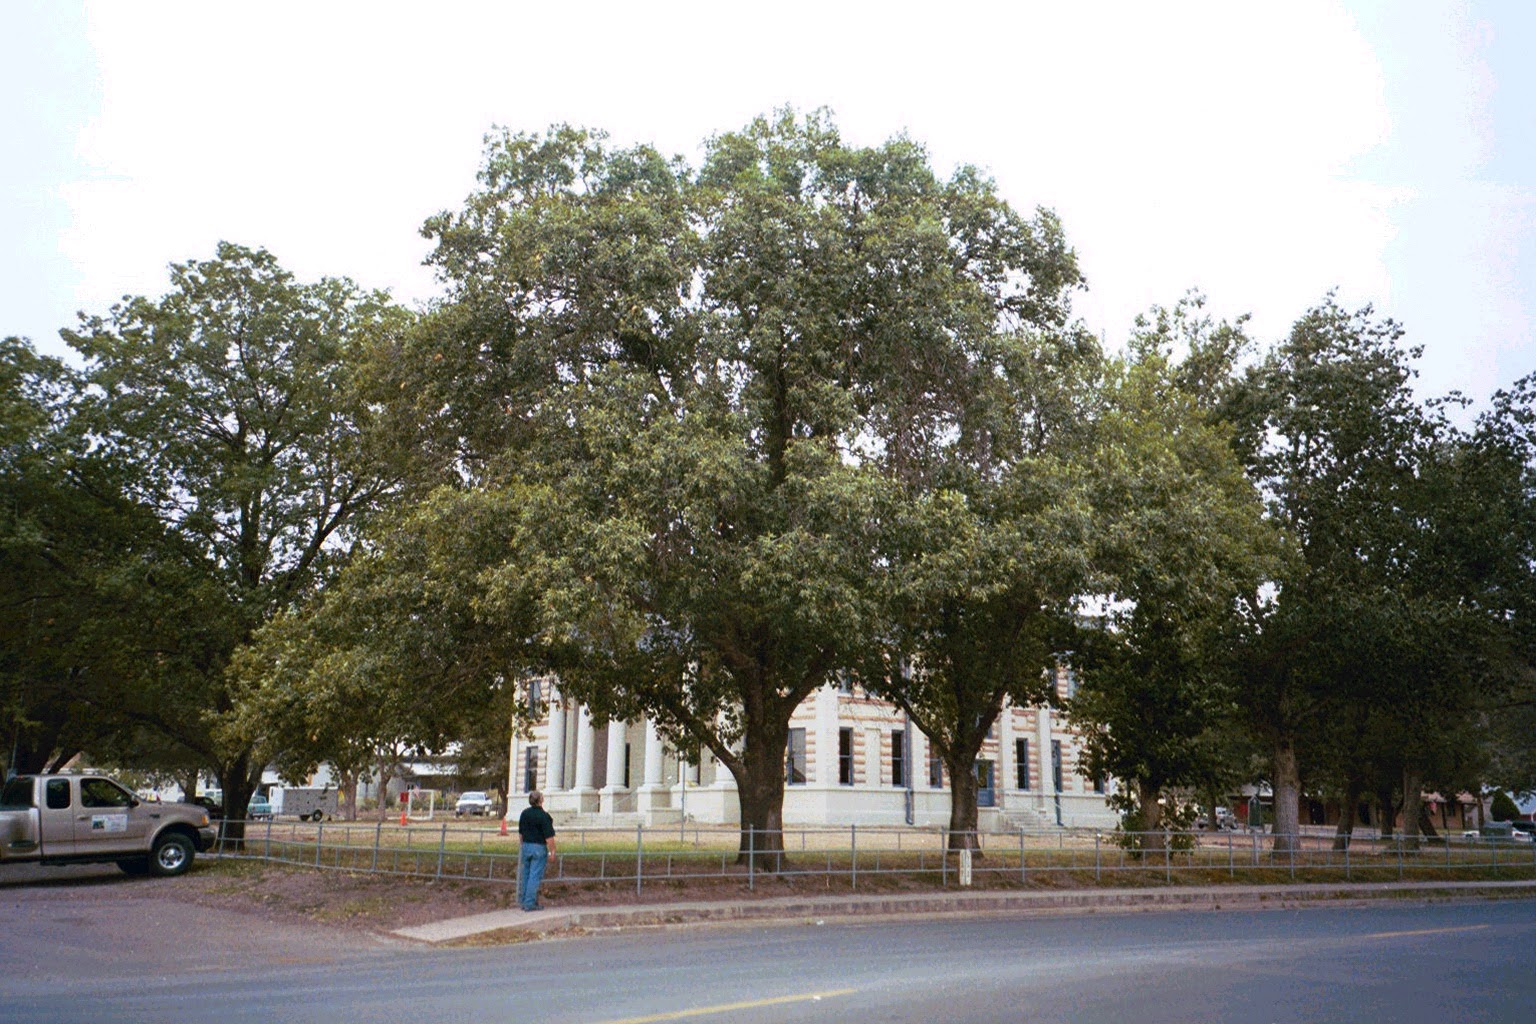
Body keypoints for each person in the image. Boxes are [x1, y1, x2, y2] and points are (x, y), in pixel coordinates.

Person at [517, 789, 557, 911]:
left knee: (526, 874)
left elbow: (521, 834)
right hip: (538, 847)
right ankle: (530, 903)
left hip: (526, 845)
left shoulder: (524, 814)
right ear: (541, 800)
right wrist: (552, 852)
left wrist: (523, 845)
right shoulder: (544, 816)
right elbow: (549, 837)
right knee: (534, 876)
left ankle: (523, 900)